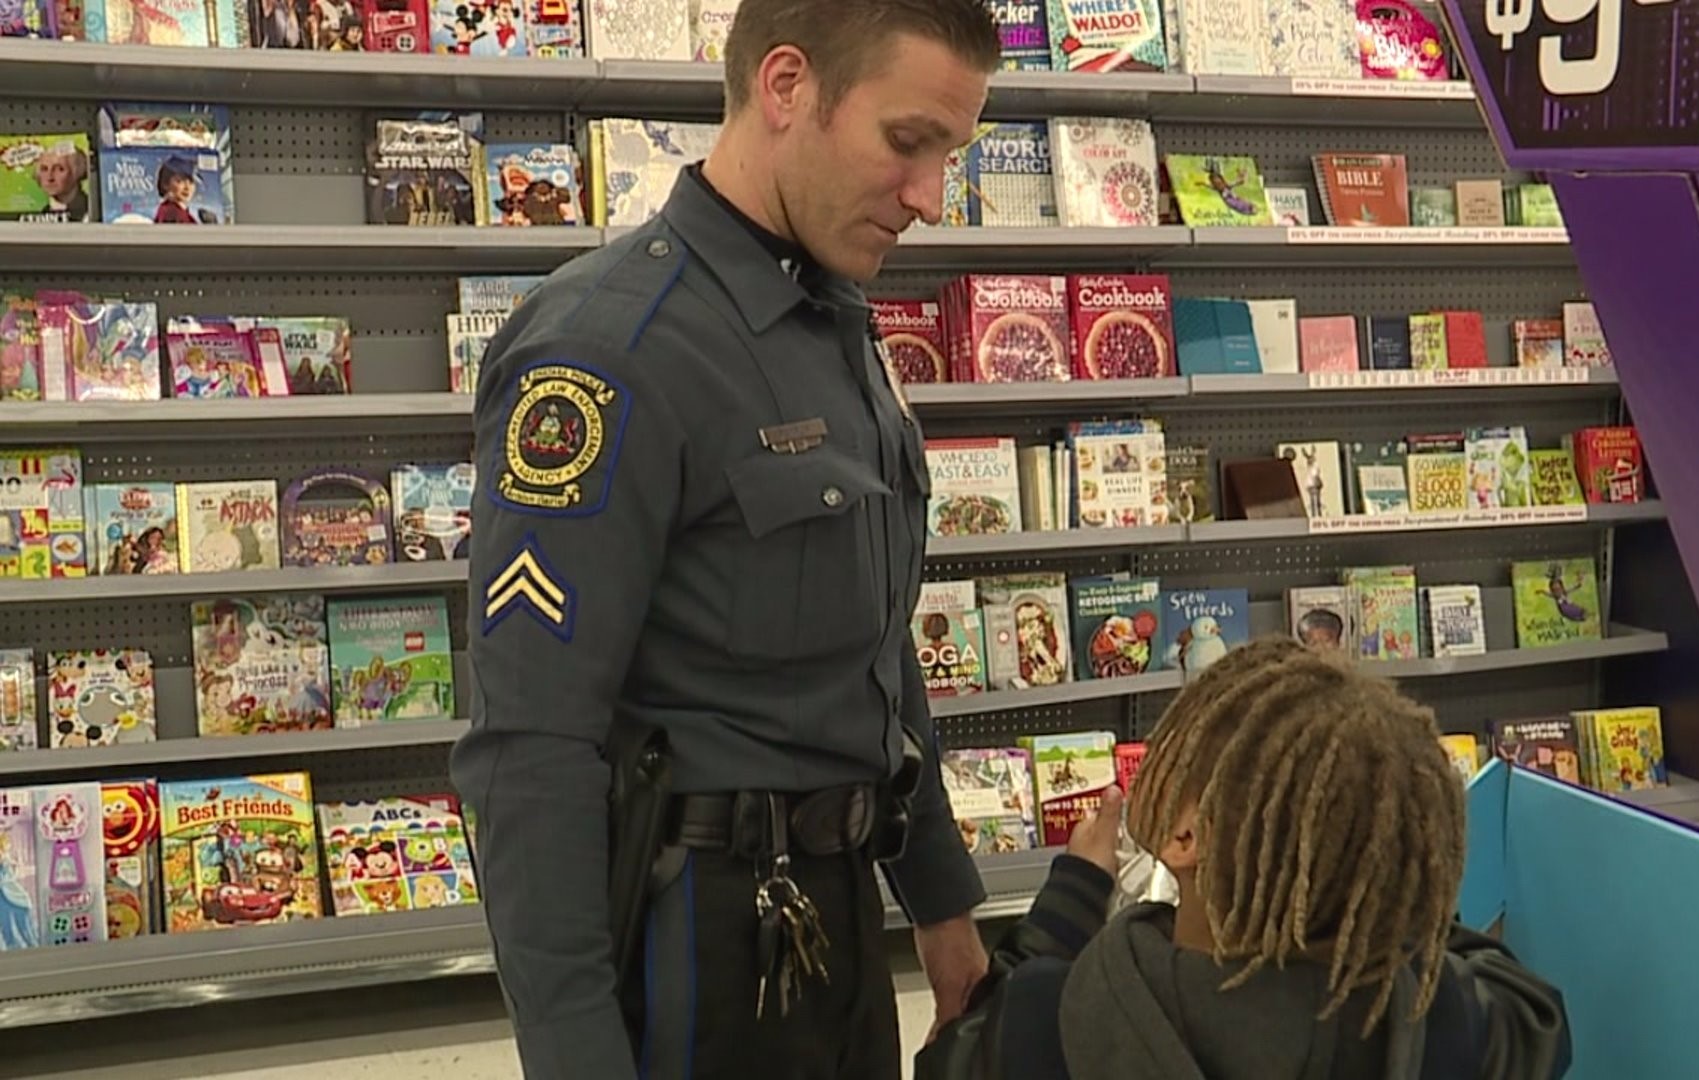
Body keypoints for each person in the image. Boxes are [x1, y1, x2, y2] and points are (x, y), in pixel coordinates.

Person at [449, 2, 1004, 1078]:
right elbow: (528, 750)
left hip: (837, 921)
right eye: (907, 142)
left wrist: (939, 899)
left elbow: (875, 644)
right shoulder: (608, 351)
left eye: (951, 154)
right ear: (786, 86)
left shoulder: (833, 323)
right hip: (695, 946)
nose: (931, 197)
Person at [917, 636, 1574, 1080]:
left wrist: (1070, 898)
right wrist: (1380, 885)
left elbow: (953, 1050)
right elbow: (1532, 1009)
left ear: (1185, 839)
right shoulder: (1447, 1026)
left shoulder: (1046, 1019)